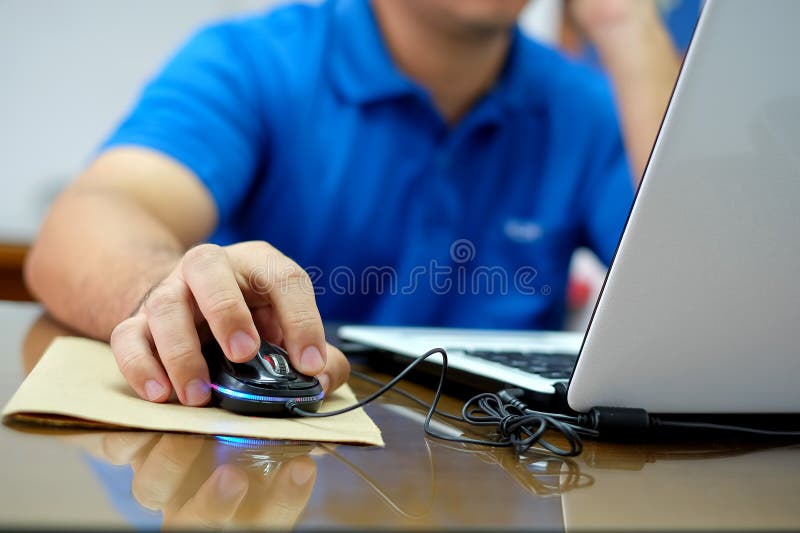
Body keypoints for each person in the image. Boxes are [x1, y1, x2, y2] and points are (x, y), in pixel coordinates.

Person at [24, 0, 680, 407]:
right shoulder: (254, 62)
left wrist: (629, 27)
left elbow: (706, 298)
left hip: (507, 475)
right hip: (280, 478)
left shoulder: (591, 107)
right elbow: (94, 216)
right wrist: (161, 294)